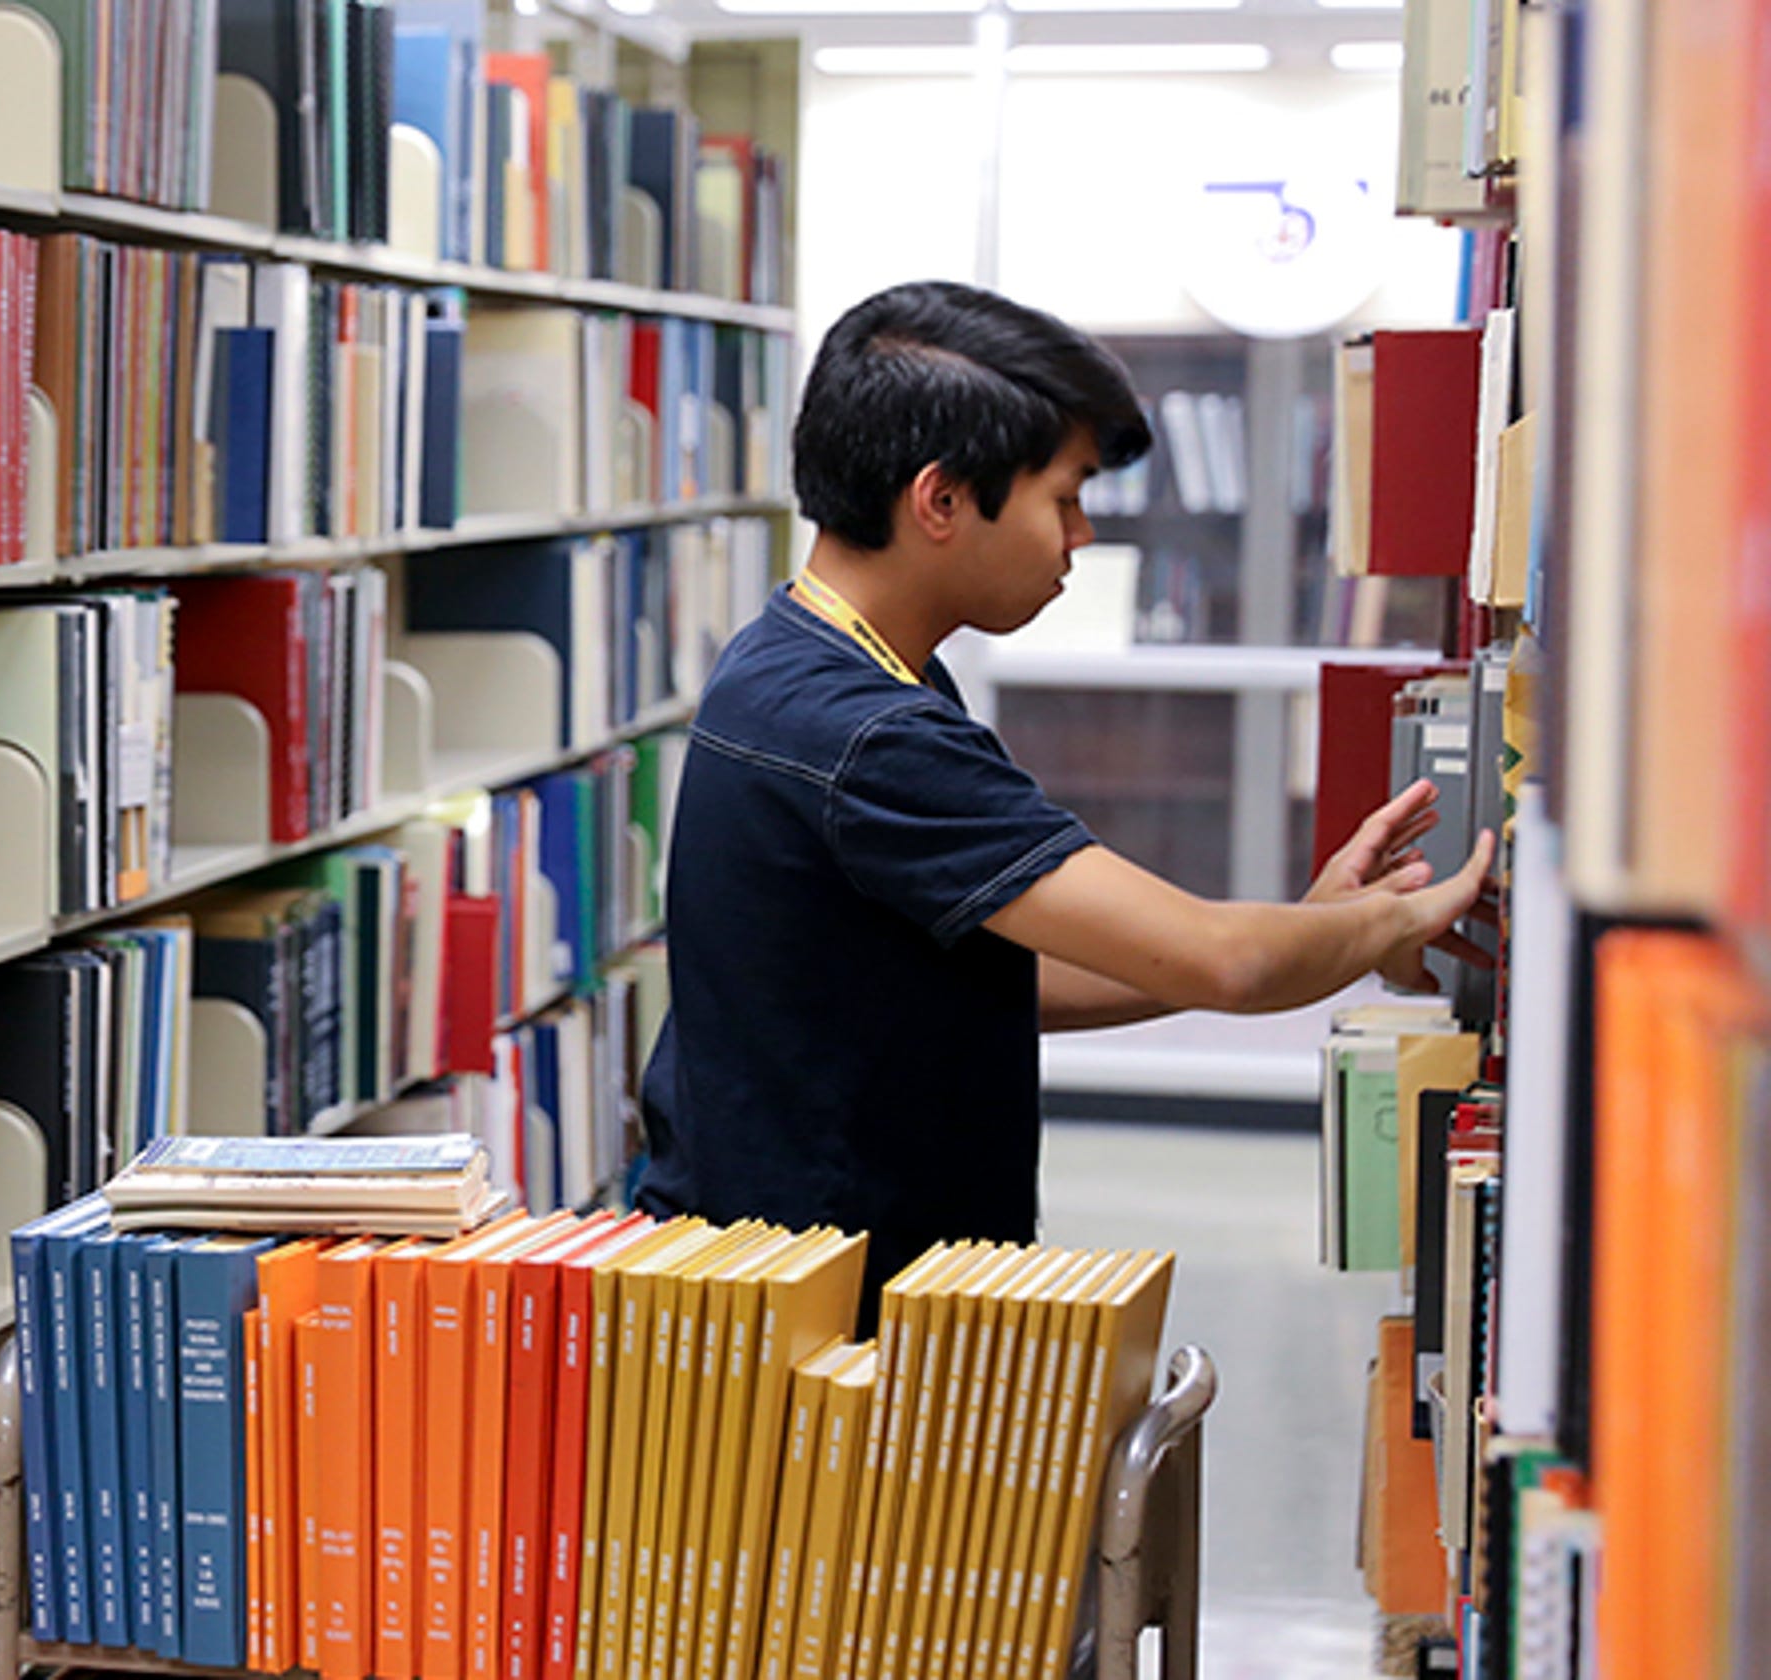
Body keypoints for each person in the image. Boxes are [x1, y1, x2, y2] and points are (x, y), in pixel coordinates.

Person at [635, 279, 1493, 1316]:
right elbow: (1226, 960)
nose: (1079, 535)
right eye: (1063, 496)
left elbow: (982, 983)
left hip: (790, 1279)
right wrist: (1394, 917)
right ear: (940, 500)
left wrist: (1316, 929)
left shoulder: (800, 659)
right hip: (828, 1322)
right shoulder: (866, 733)